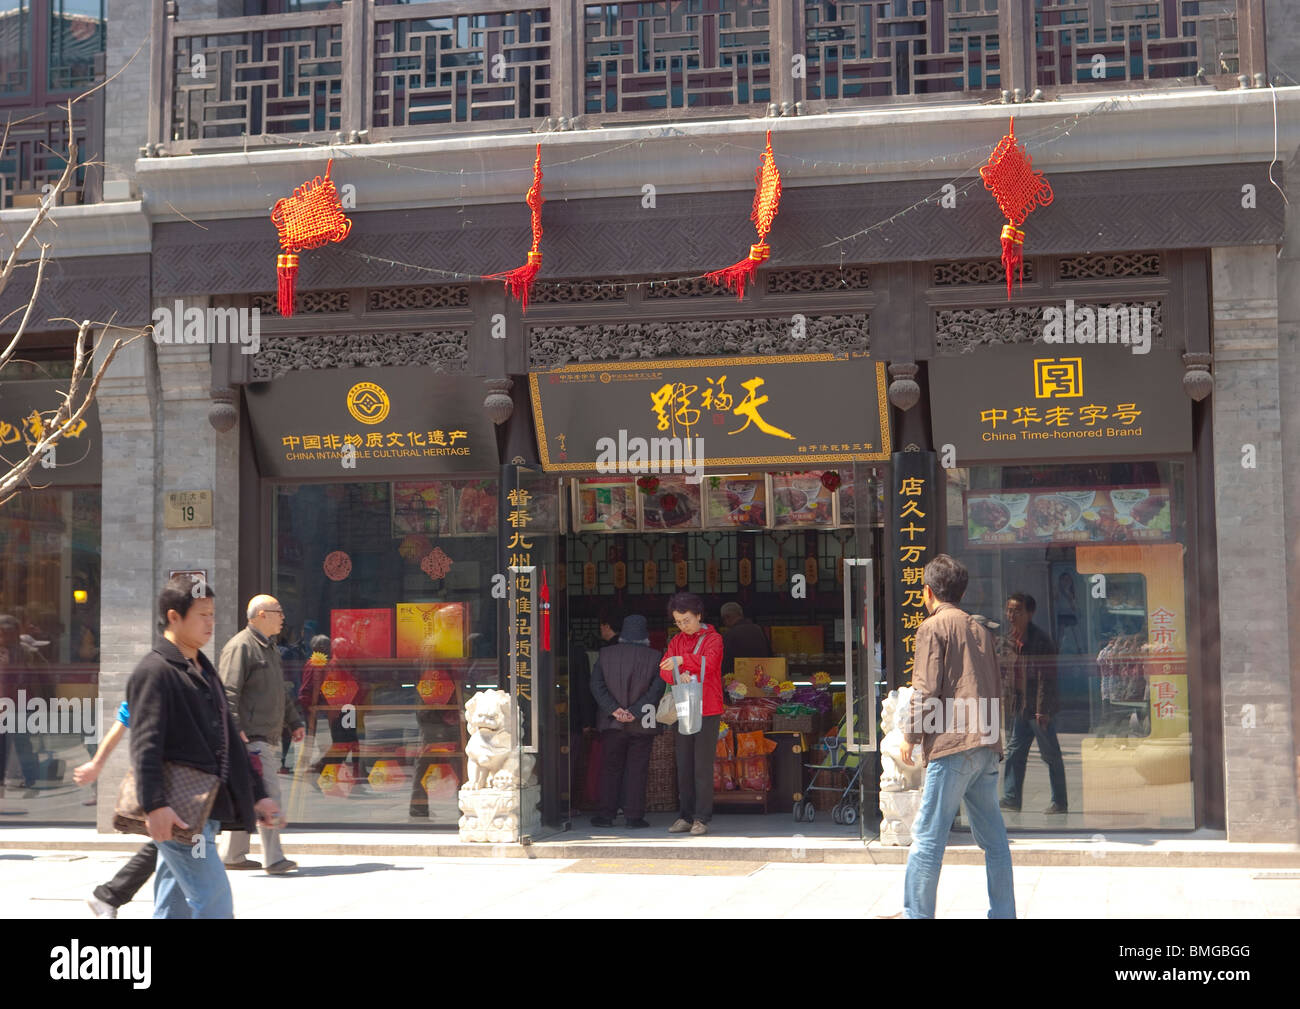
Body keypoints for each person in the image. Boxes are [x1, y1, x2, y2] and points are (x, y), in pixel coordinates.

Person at [127, 576, 281, 919]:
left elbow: (229, 738)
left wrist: (258, 793)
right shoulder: (155, 671)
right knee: (214, 901)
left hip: (204, 810)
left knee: (174, 903)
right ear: (174, 617)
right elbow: (145, 745)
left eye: (212, 614)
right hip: (180, 812)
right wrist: (155, 805)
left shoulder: (202, 669)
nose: (210, 622)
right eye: (201, 615)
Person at [900, 554, 1014, 920]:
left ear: (928, 592)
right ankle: (1004, 913)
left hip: (953, 745)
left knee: (928, 841)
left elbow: (924, 689)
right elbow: (997, 688)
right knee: (995, 843)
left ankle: (917, 915)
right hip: (985, 743)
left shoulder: (932, 628)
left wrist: (910, 735)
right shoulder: (981, 629)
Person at [218, 594, 305, 874]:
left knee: (246, 794)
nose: (282, 617)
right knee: (269, 794)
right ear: (259, 615)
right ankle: (274, 858)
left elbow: (279, 692)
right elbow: (228, 692)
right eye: (277, 611)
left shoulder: (269, 648)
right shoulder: (241, 646)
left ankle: (232, 855)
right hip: (250, 736)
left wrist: (294, 722)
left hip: (264, 735)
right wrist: (235, 730)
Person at [74, 701, 157, 918]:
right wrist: (97, 764)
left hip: (200, 782)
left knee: (179, 850)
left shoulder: (203, 675)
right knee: (189, 848)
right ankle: (110, 895)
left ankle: (110, 895)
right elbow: (123, 720)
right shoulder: (155, 674)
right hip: (178, 784)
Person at [589, 614, 664, 829]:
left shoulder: (605, 654)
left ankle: (606, 815)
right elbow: (656, 690)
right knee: (637, 769)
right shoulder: (655, 656)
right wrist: (636, 711)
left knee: (610, 767)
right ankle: (634, 816)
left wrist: (615, 710)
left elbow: (596, 685)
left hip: (612, 723)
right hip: (643, 722)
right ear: (645, 634)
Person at [658, 592, 724, 836]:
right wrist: (678, 671)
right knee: (683, 764)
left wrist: (680, 661)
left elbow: (711, 663)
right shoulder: (675, 640)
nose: (682, 626)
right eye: (677, 621)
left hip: (708, 708)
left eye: (686, 620)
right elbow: (664, 669)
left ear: (698, 615)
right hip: (684, 706)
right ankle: (685, 815)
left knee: (702, 766)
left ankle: (701, 817)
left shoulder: (714, 638)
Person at [999, 592, 1067, 814]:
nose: (1011, 615)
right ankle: (1011, 798)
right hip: (1019, 707)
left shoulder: (1041, 641)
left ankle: (1060, 801)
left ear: (1030, 613)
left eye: (1017, 611)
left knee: (1050, 755)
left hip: (1038, 710)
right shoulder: (1009, 640)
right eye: (1009, 610)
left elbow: (1046, 679)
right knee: (1014, 752)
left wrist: (1042, 710)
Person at [0, 613, 43, 811]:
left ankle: (32, 780)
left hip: (19, 704)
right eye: (2, 633)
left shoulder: (25, 651)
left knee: (22, 741)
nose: (4, 638)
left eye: (8, 633)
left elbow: (35, 676)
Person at [718, 601, 770, 677]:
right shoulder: (758, 629)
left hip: (738, 681)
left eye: (723, 620)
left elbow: (724, 663)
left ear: (727, 617)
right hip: (761, 677)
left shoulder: (729, 634)